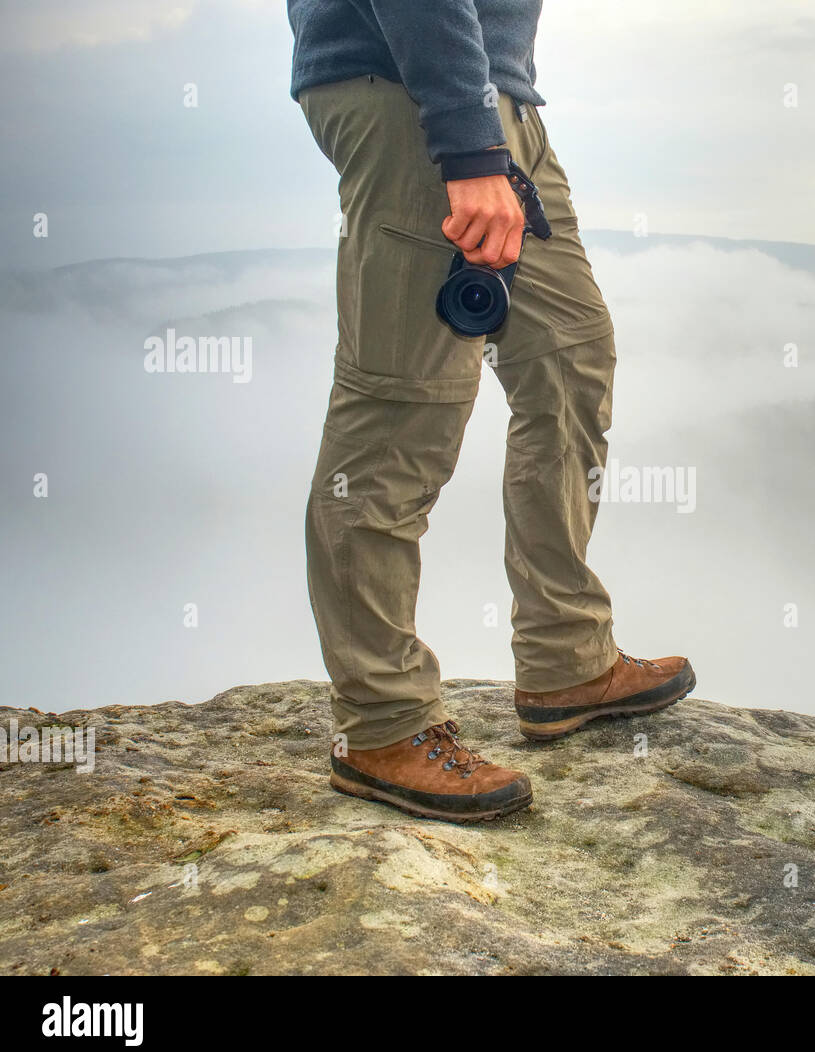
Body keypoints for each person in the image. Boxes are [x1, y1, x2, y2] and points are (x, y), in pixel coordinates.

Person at [286, 0, 695, 823]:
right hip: (413, 91)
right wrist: (468, 144)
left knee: (569, 358)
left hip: (493, 98)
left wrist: (490, 123)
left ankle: (566, 659)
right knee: (401, 413)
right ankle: (383, 724)